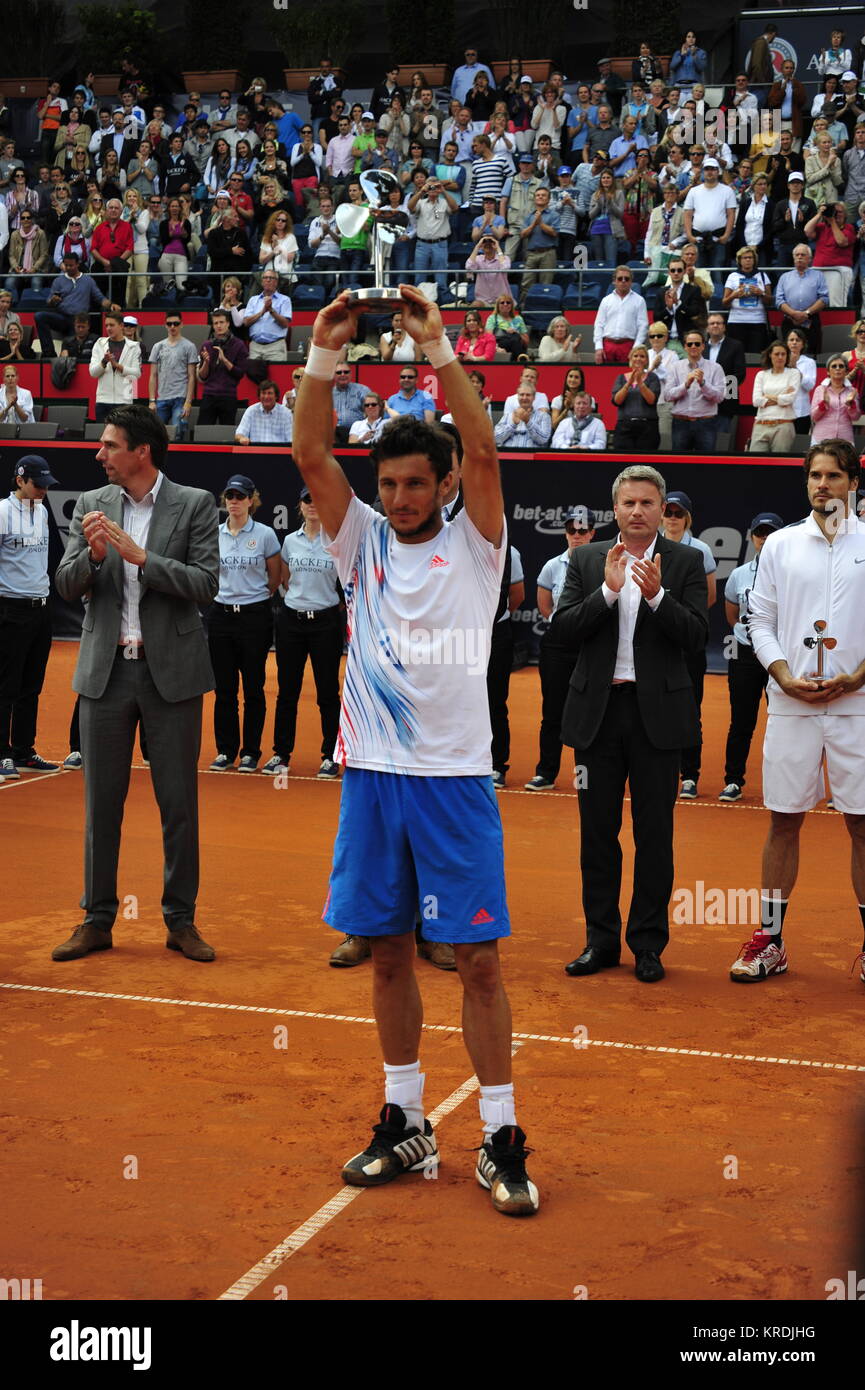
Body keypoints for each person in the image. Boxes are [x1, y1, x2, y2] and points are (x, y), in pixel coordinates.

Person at [293, 281, 539, 1215]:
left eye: (410, 484)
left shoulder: (477, 545)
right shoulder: (358, 544)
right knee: (386, 954)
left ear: (441, 487)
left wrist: (437, 347)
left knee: (477, 964)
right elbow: (311, 451)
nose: (396, 498)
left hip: (453, 785)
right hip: (372, 782)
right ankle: (404, 1120)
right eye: (386, 483)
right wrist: (323, 354)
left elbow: (481, 444)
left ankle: (502, 1135)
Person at [52, 405, 219, 963]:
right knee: (102, 804)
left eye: (108, 445)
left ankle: (181, 920)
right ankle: (97, 918)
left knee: (179, 804)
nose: (99, 455)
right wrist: (97, 559)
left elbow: (206, 584)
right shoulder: (91, 506)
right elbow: (65, 585)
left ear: (140, 452)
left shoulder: (194, 504)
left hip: (170, 673)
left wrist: (142, 558)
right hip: (104, 673)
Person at [554, 465, 709, 982]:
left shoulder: (685, 560)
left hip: (657, 719)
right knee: (597, 836)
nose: (638, 511)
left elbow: (695, 637)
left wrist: (657, 597)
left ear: (662, 509)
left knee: (654, 836)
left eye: (648, 503)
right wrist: (608, 593)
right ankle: (600, 943)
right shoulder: (585, 559)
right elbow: (563, 631)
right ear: (615, 509)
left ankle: (647, 945)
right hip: (598, 715)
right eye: (629, 503)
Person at [731, 441, 865, 983]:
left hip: (859, 705)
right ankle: (770, 941)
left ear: (853, 482)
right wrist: (782, 673)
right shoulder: (781, 545)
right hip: (791, 704)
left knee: (862, 824)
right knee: (783, 820)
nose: (821, 485)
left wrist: (857, 676)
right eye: (814, 475)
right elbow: (759, 620)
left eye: (833, 476)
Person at [267, 486, 345, 792]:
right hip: (291, 621)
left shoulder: (335, 541)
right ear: (300, 505)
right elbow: (285, 579)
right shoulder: (289, 541)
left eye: (317, 500)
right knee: (287, 691)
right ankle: (281, 754)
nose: (313, 505)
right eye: (307, 500)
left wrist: (323, 605)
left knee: (328, 691)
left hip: (325, 622)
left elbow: (343, 585)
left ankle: (330, 756)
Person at [207, 475, 280, 775]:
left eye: (240, 496)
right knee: (224, 689)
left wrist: (254, 598)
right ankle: (225, 751)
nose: (234, 501)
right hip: (221, 615)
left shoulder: (264, 535)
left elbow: (274, 579)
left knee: (253, 688)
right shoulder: (215, 533)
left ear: (252, 500)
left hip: (254, 616)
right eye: (229, 496)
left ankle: (250, 752)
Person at [525, 507, 597, 791]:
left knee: (591, 713)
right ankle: (545, 773)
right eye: (572, 530)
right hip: (557, 645)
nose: (577, 536)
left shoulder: (603, 563)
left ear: (592, 533)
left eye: (582, 531)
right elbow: (546, 608)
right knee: (553, 711)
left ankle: (587, 776)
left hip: (591, 645)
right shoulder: (552, 566)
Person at [0, 457, 60, 783]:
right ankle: (1, 753)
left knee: (31, 686)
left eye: (46, 486)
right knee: (5, 686)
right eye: (38, 485)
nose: (43, 491)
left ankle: (23, 750)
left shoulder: (43, 511)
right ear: (20, 480)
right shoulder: (2, 512)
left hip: (41, 609)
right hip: (11, 609)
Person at [719, 511, 784, 802]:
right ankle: (733, 781)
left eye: (771, 533)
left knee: (783, 720)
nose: (765, 539)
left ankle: (783, 784)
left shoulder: (792, 574)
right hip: (745, 655)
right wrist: (746, 634)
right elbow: (731, 613)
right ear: (752, 537)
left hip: (780, 656)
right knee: (741, 722)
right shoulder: (738, 575)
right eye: (760, 533)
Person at [659, 491, 717, 799]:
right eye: (668, 512)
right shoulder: (651, 545)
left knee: (690, 709)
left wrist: (680, 621)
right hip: (658, 641)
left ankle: (689, 775)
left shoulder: (701, 550)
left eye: (678, 513)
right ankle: (659, 770)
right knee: (656, 706)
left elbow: (707, 597)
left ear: (687, 518)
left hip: (687, 641)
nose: (672, 518)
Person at [35, 253, 118, 358]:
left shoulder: (88, 280)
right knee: (39, 316)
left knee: (72, 350)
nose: (68, 268)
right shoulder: (58, 281)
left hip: (79, 320)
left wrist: (111, 305)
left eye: (71, 265)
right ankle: (49, 353)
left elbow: (100, 298)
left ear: (78, 264)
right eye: (66, 265)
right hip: (62, 317)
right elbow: (49, 302)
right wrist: (53, 300)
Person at [662, 329, 725, 451]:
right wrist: (685, 385)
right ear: (685, 347)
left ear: (703, 346)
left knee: (706, 464)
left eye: (697, 343)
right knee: (678, 464)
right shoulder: (675, 367)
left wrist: (703, 383)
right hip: (680, 422)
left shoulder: (716, 368)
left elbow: (719, 397)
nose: (693, 346)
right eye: (690, 344)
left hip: (706, 423)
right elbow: (667, 396)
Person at [148, 311, 198, 441]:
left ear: (182, 324)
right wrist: (152, 400)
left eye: (176, 323)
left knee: (178, 433)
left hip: (180, 398)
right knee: (156, 436)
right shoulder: (157, 346)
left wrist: (188, 402)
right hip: (161, 397)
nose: (172, 327)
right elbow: (153, 375)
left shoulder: (189, 346)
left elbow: (191, 376)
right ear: (165, 325)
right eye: (169, 324)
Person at [196, 309, 249, 426]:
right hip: (209, 395)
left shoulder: (239, 345)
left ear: (228, 324)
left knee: (226, 433)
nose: (219, 326)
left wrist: (224, 360)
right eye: (216, 323)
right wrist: (205, 362)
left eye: (221, 322)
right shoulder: (207, 345)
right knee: (202, 431)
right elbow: (202, 376)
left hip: (228, 395)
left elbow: (240, 373)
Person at [776, 244, 829, 354]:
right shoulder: (784, 277)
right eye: (797, 255)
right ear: (793, 258)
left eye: (803, 255)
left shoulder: (818, 276)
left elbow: (824, 299)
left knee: (811, 353)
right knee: (789, 354)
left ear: (809, 258)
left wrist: (806, 313)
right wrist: (793, 314)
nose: (799, 257)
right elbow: (779, 300)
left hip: (811, 320)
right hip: (790, 320)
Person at [89, 311, 141, 421]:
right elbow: (93, 373)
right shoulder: (99, 343)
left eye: (112, 325)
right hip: (103, 400)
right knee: (103, 436)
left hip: (125, 400)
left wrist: (117, 366)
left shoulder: (134, 346)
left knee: (124, 436)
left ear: (121, 326)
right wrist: (104, 361)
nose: (108, 328)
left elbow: (137, 374)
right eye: (106, 325)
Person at [750, 341, 801, 454]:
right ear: (770, 355)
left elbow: (790, 399)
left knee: (779, 464)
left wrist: (767, 396)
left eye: (783, 354)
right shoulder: (761, 375)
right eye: (777, 354)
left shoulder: (793, 373)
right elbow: (756, 401)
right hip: (761, 424)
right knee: (755, 464)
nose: (780, 357)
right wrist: (781, 397)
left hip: (783, 425)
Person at [804, 200, 856, 307]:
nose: (836, 214)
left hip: (838, 271)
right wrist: (820, 214)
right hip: (818, 269)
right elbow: (807, 231)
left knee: (835, 303)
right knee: (813, 302)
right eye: (834, 211)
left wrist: (832, 222)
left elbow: (841, 241)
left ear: (845, 215)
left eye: (840, 212)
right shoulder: (822, 227)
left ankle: (838, 323)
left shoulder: (849, 228)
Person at [722, 245, 772, 353]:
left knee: (756, 355)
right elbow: (724, 302)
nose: (748, 260)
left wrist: (761, 293)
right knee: (736, 355)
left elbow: (770, 301)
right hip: (736, 321)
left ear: (755, 260)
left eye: (750, 257)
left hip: (758, 321)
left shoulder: (763, 276)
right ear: (739, 260)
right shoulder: (732, 276)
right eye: (745, 258)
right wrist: (734, 295)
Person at [593, 266, 648, 365]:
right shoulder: (606, 301)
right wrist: (598, 347)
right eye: (620, 278)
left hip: (628, 346)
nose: (623, 281)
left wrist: (636, 348)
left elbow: (643, 326)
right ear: (614, 281)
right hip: (607, 346)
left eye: (626, 279)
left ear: (631, 281)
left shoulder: (639, 301)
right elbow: (599, 325)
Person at [611, 344, 660, 451]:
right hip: (624, 427)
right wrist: (628, 383)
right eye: (635, 356)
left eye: (642, 356)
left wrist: (640, 382)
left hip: (648, 428)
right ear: (630, 358)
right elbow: (617, 401)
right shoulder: (620, 378)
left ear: (647, 360)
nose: (638, 359)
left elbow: (651, 400)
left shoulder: (653, 378)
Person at [242, 268, 291, 362]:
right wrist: (262, 312)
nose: (268, 280)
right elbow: (246, 322)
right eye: (265, 278)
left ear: (276, 282)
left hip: (275, 346)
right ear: (262, 282)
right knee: (253, 375)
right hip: (255, 346)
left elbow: (285, 323)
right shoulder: (253, 300)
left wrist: (271, 310)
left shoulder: (285, 300)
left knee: (277, 376)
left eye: (271, 278)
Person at [810, 356, 860, 444]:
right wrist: (823, 404)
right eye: (834, 366)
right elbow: (814, 417)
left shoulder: (852, 391)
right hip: (822, 438)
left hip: (844, 438)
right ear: (828, 372)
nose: (837, 368)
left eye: (841, 366)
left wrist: (851, 405)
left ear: (846, 371)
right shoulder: (820, 389)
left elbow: (856, 417)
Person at [235, 378, 293, 445]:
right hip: (255, 453)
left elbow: (291, 440)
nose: (266, 396)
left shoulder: (286, 413)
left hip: (278, 453)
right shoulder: (251, 411)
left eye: (270, 393)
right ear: (259, 395)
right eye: (263, 393)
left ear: (276, 396)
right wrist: (242, 438)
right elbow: (239, 434)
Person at [494, 383, 552, 448]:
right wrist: (512, 424)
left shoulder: (544, 416)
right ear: (517, 397)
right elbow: (495, 439)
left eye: (528, 395)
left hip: (532, 456)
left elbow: (544, 440)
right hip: (509, 455)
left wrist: (528, 422)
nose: (524, 398)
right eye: (521, 395)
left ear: (534, 397)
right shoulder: (508, 416)